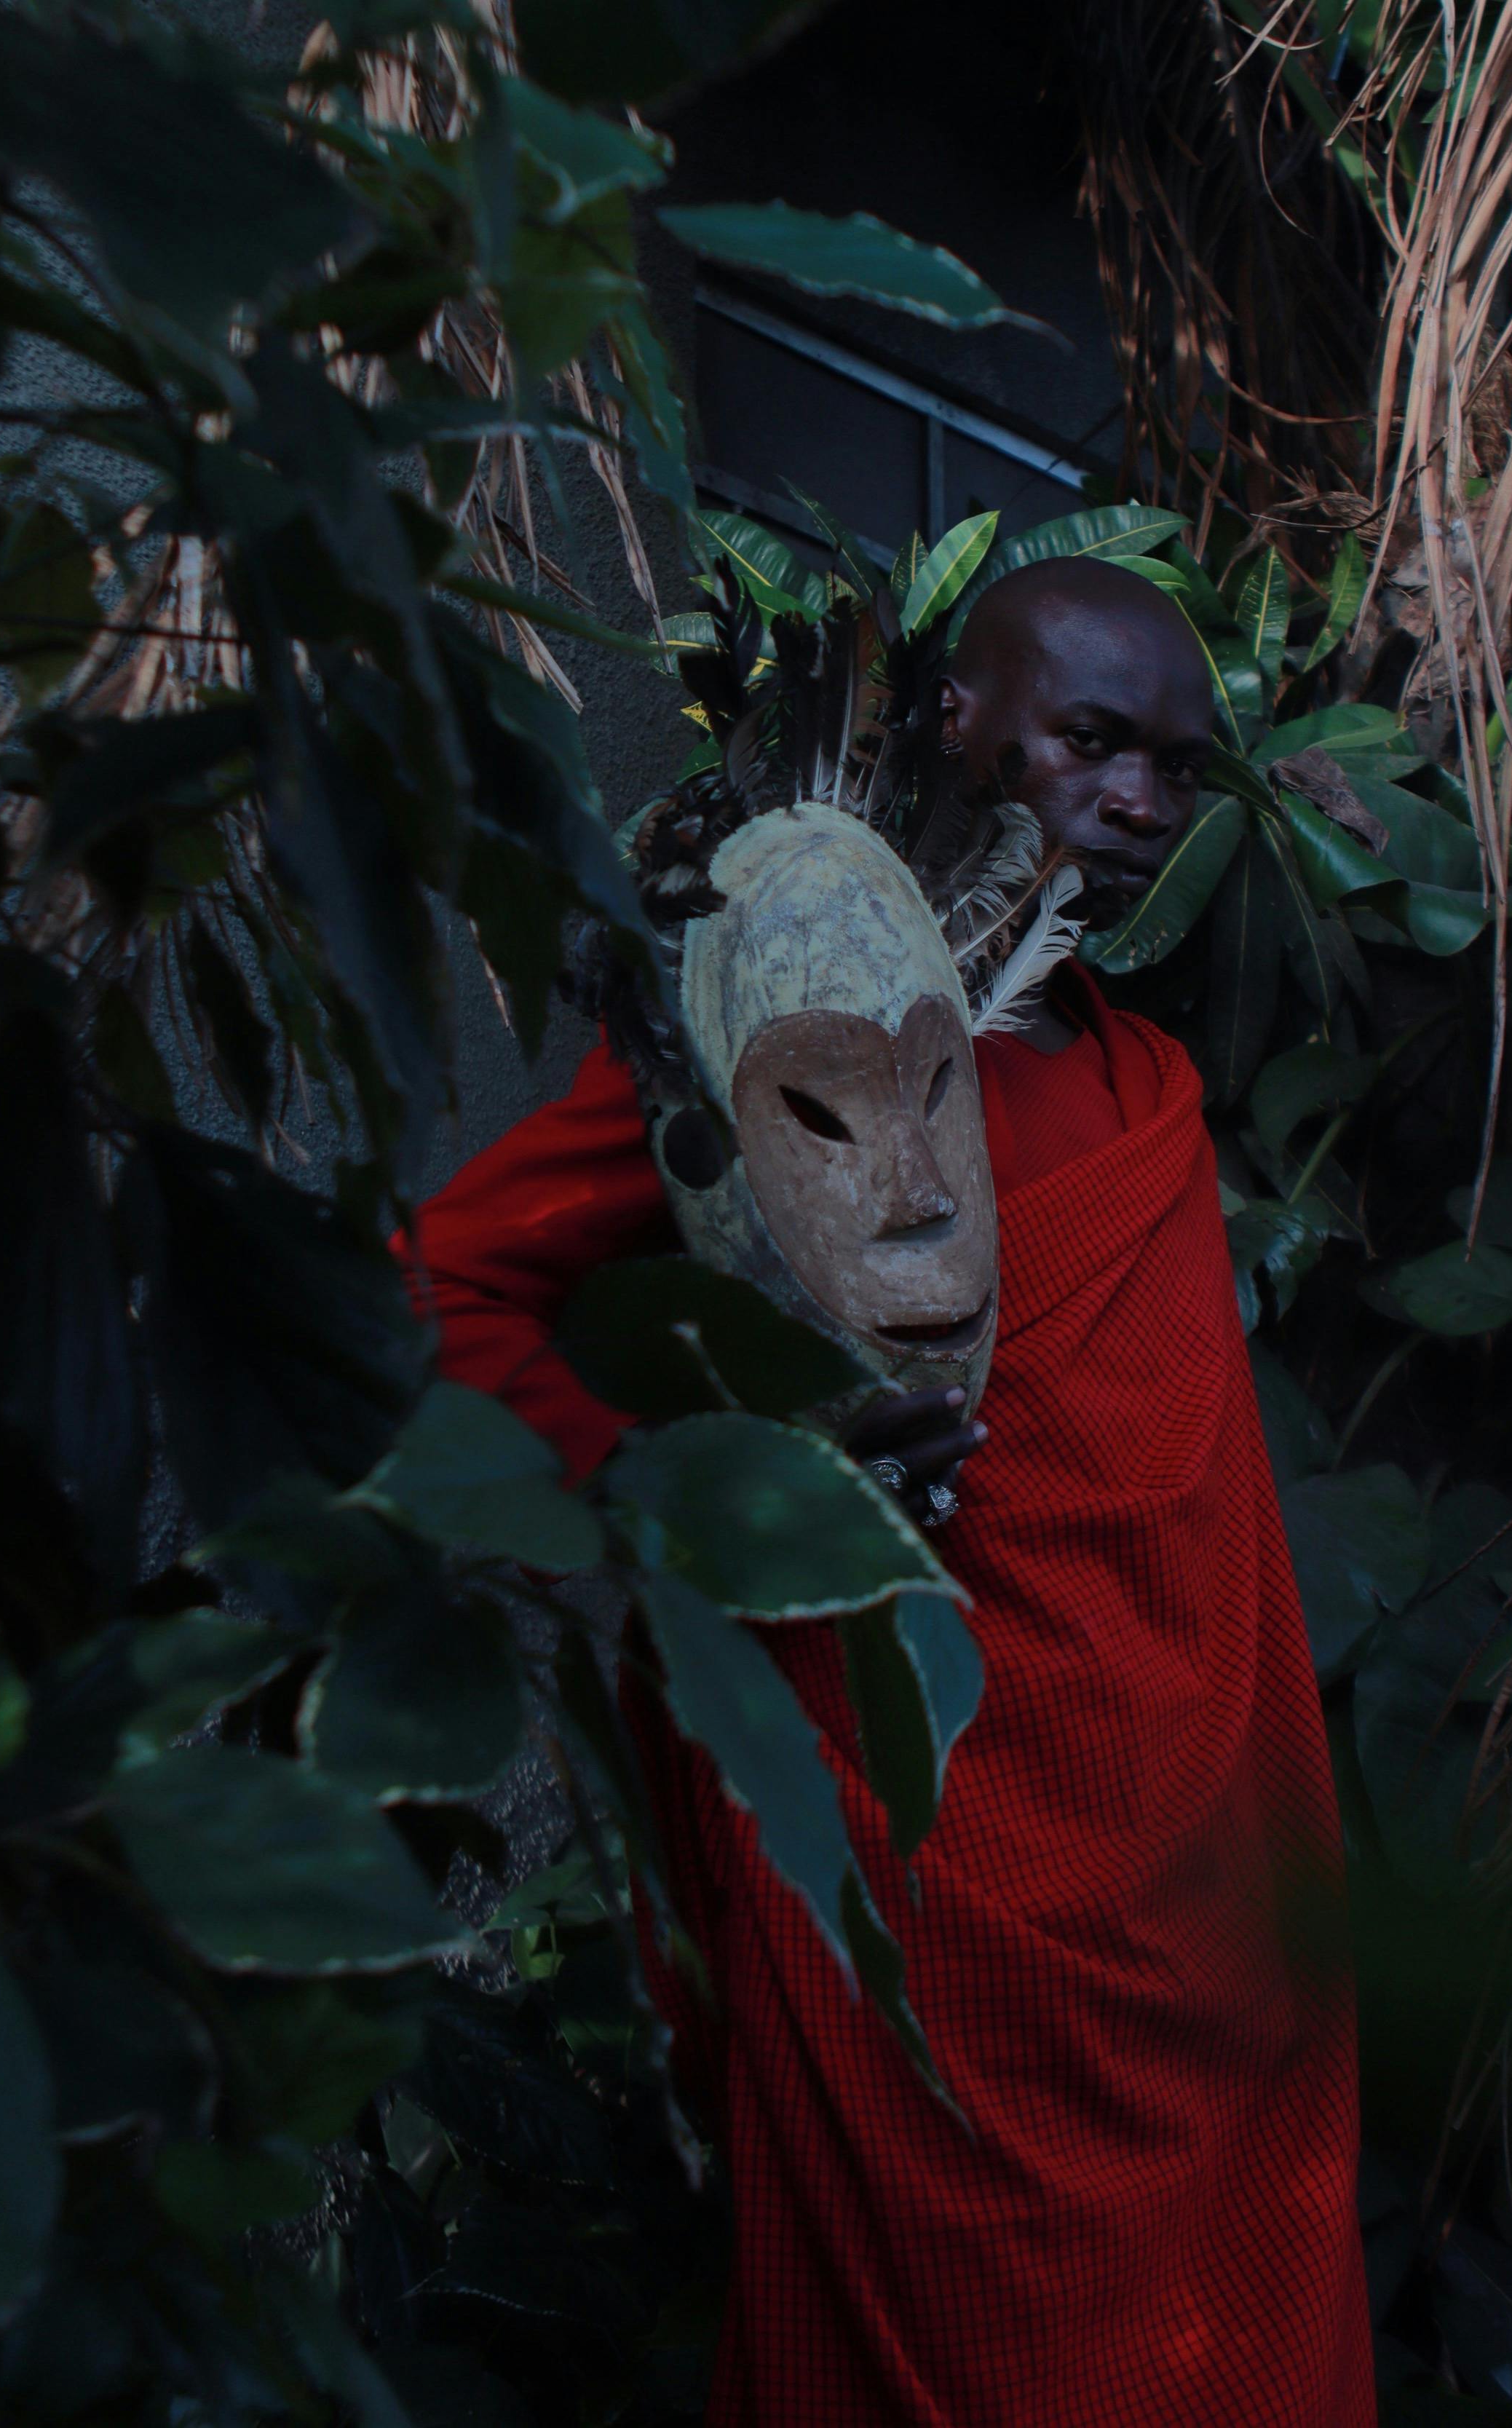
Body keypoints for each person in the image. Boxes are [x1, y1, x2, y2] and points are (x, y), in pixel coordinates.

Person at [403, 558, 1374, 2426]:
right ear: (957, 722)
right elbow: (442, 1280)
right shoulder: (781, 1059)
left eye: (1176, 770)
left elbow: (1203, 1587)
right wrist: (699, 1495)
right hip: (934, 1927)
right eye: (1093, 741)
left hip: (1203, 1953)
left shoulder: (1150, 1095)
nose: (1137, 805)